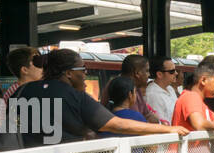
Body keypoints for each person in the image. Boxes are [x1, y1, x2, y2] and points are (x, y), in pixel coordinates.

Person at [12, 49, 188, 146]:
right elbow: (117, 124)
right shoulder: (75, 96)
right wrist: (167, 129)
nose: (86, 74)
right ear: (69, 73)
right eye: (82, 70)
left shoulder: (22, 91)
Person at [111, 54, 162, 124]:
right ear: (137, 73)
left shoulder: (137, 88)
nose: (149, 75)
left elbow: (148, 114)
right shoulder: (119, 87)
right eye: (147, 71)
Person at [145, 55, 180, 122]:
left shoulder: (170, 88)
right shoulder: (152, 94)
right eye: (172, 71)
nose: (176, 73)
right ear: (159, 74)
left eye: (175, 70)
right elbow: (160, 123)